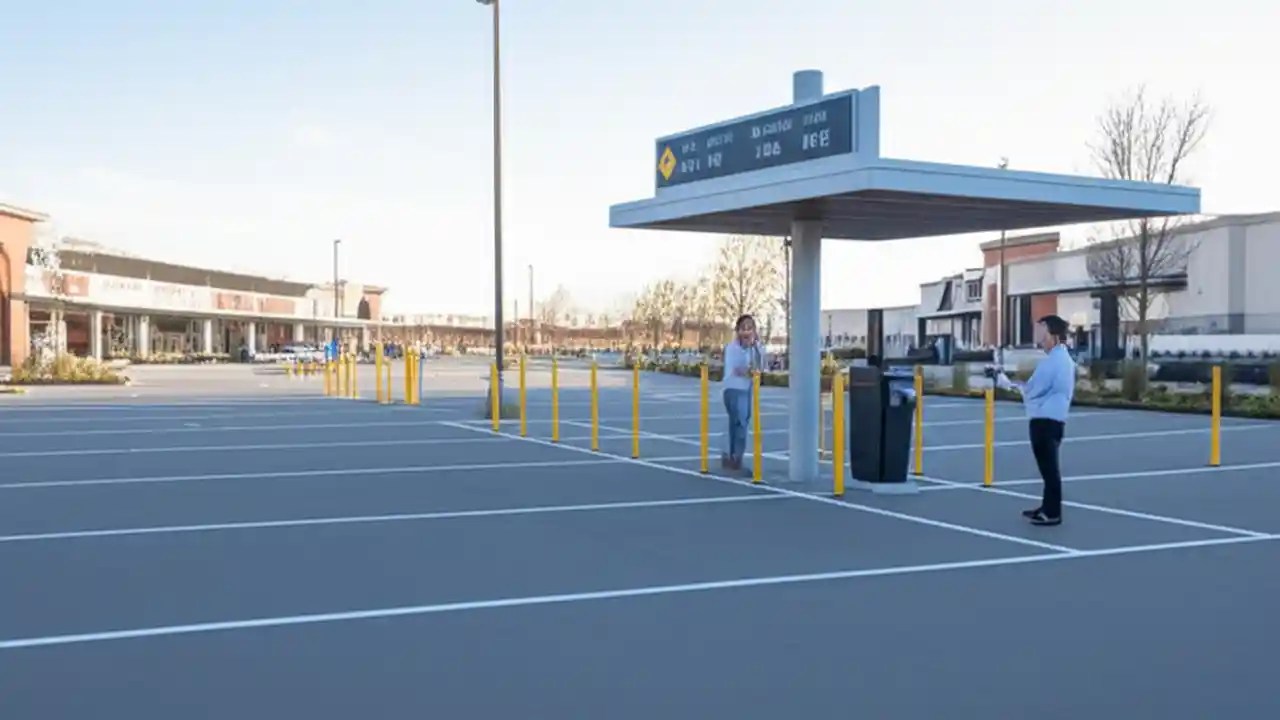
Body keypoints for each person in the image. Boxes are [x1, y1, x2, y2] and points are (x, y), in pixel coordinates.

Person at [995, 314, 1075, 526]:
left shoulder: (1055, 361)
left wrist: (1007, 384)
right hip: (1051, 420)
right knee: (1048, 469)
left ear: (1053, 335)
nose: (1039, 337)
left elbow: (1032, 389)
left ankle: (1052, 512)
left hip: (1045, 421)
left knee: (1049, 469)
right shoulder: (1061, 359)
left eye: (1042, 331)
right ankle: (1047, 507)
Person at [721, 314, 762, 473]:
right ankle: (736, 457)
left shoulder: (756, 348)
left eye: (750, 328)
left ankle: (731, 455)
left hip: (747, 389)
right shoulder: (733, 348)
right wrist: (751, 370)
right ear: (737, 331)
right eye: (743, 328)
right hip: (733, 389)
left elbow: (761, 366)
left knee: (738, 423)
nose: (747, 332)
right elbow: (739, 370)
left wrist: (755, 347)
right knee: (740, 423)